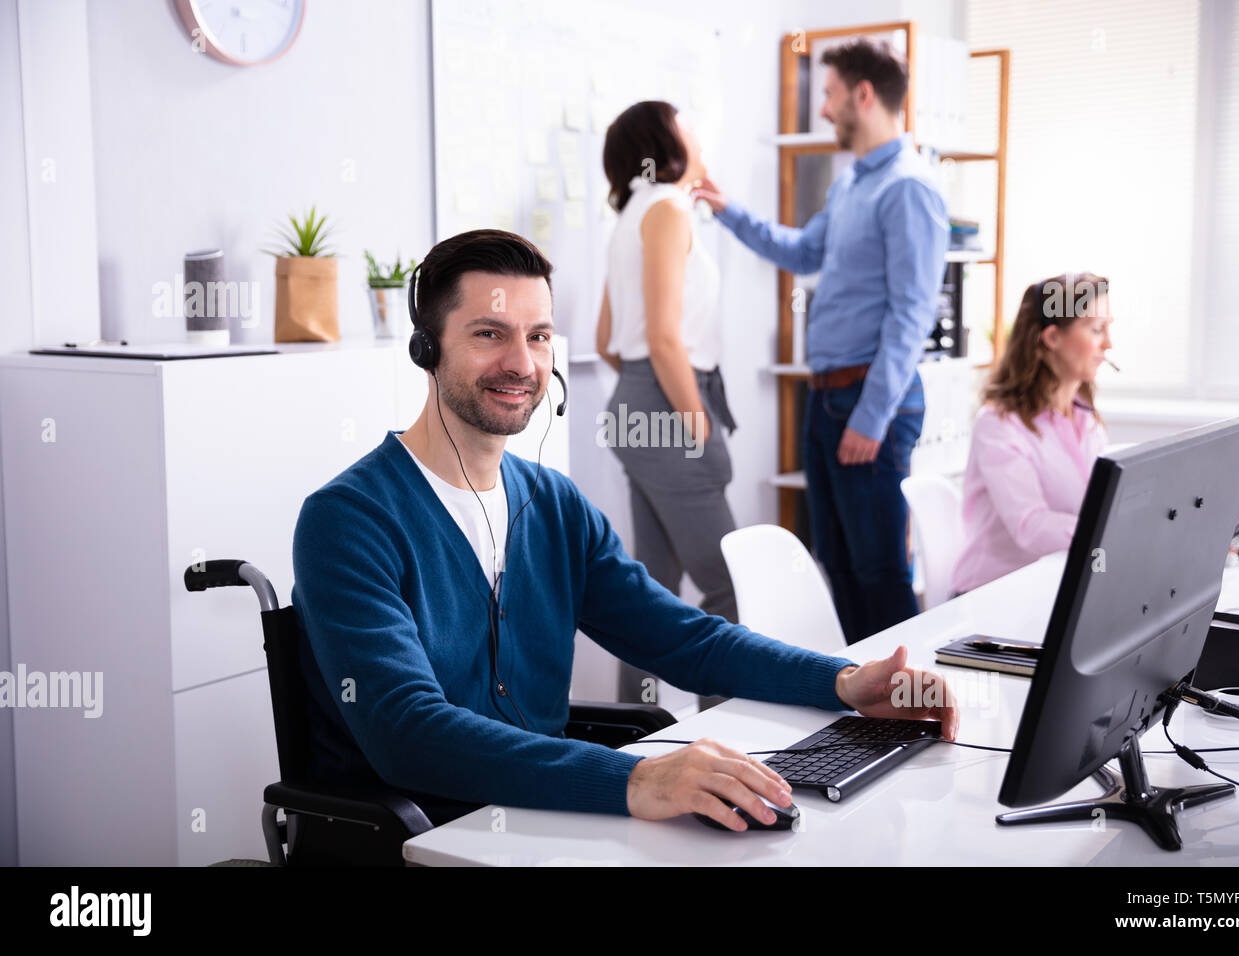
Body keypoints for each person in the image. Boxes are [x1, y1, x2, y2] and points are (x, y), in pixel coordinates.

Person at [291, 229, 958, 832]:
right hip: (426, 837)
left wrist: (845, 682)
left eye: (540, 335)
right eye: (490, 334)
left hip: (546, 822)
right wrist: (637, 778)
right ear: (427, 348)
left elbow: (683, 638)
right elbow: (407, 732)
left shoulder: (551, 503)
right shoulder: (350, 520)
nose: (523, 364)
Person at [693, 38, 949, 643]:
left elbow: (912, 314)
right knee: (836, 564)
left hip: (869, 400)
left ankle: (909, 706)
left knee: (880, 570)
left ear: (864, 95)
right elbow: (802, 251)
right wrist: (727, 210)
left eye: (830, 95)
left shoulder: (909, 187)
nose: (825, 110)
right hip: (829, 397)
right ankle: (868, 709)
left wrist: (872, 416)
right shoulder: (851, 183)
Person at [597, 100, 735, 707]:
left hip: (637, 398)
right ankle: (727, 733)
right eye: (687, 123)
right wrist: (695, 420)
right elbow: (663, 335)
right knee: (730, 583)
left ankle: (637, 728)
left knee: (649, 592)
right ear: (665, 140)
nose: (698, 132)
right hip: (669, 399)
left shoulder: (633, 212)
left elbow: (607, 340)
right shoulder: (670, 209)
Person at [950, 273, 1113, 596]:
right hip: (993, 597)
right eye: (1096, 330)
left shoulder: (1085, 417)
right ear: (1051, 338)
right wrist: (1112, 534)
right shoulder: (998, 424)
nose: (1108, 344)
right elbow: (1030, 526)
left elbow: (1095, 505)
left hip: (1057, 585)